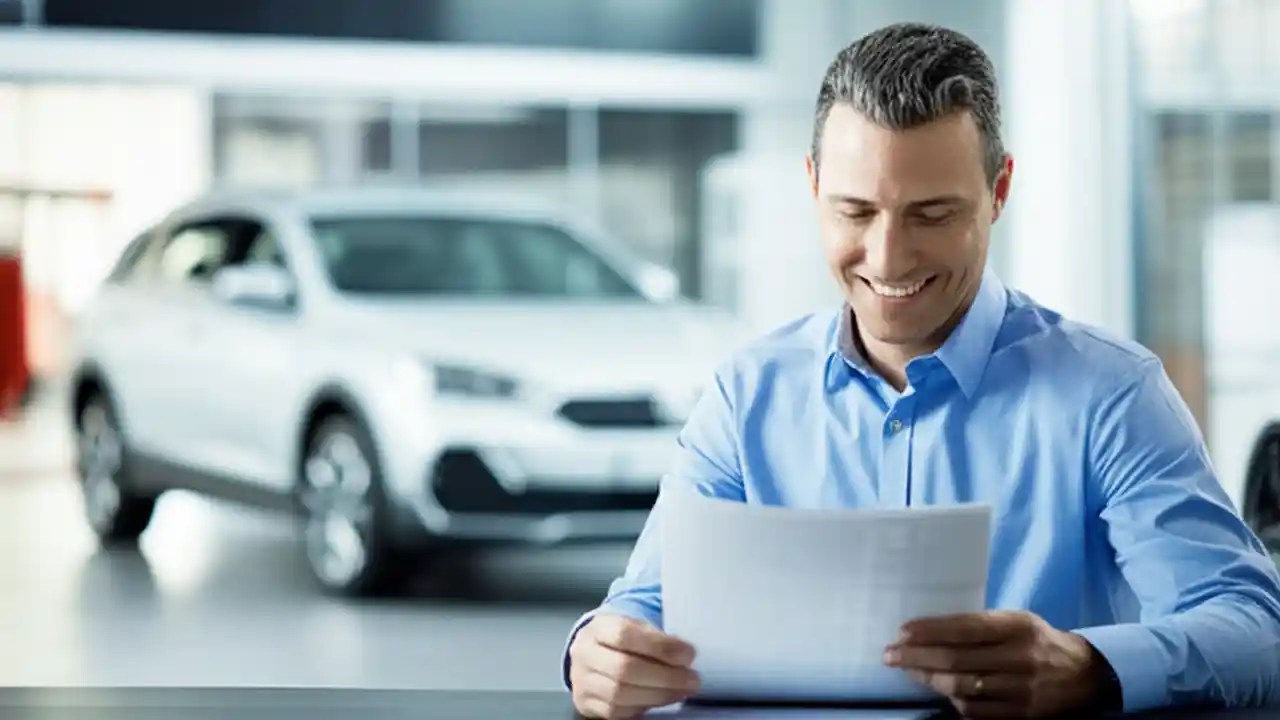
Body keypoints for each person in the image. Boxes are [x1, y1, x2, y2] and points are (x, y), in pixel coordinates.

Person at [564, 22, 1280, 720]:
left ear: (999, 192)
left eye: (932, 214)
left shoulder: (1111, 393)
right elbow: (645, 606)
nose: (888, 257)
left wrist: (1090, 667)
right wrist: (596, 653)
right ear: (813, 187)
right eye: (855, 210)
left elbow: (1254, 629)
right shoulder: (745, 394)